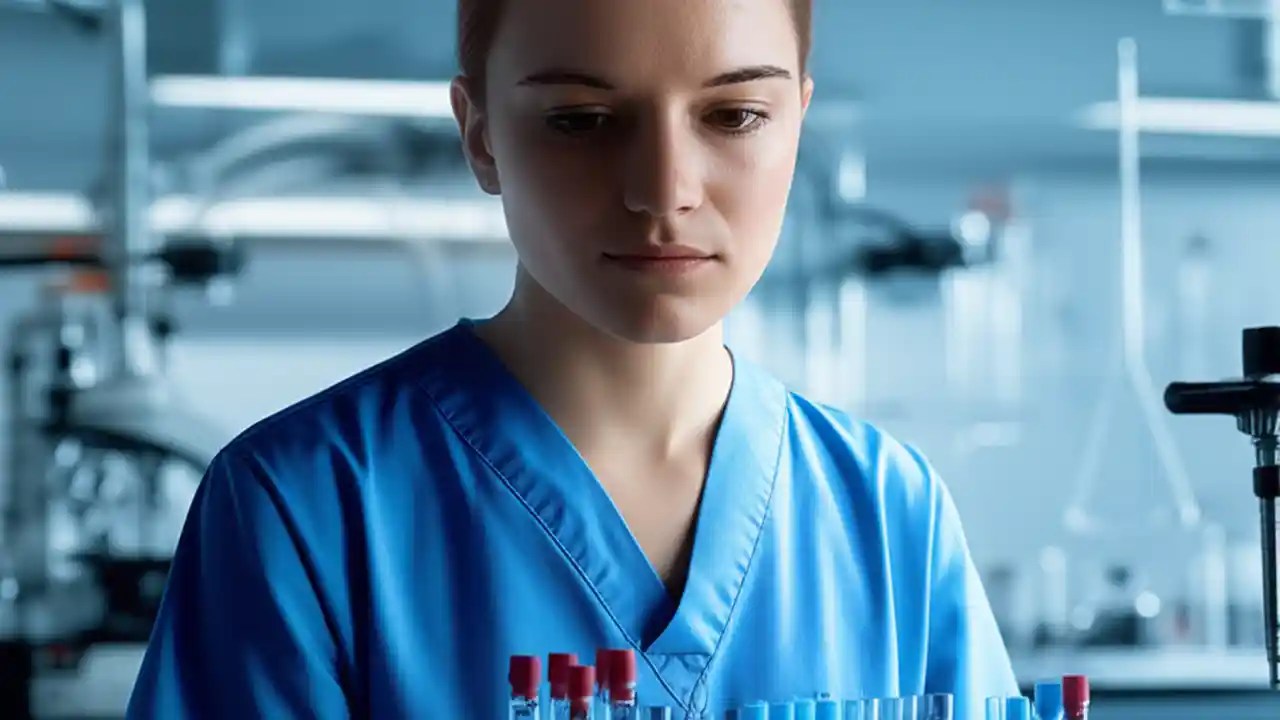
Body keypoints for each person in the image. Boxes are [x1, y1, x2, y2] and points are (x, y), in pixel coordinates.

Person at [127, 0, 1019, 717]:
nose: (664, 190)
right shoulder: (307, 505)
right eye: (582, 119)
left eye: (737, 115)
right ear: (479, 134)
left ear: (796, 122)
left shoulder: (889, 514)